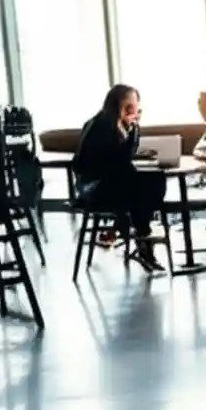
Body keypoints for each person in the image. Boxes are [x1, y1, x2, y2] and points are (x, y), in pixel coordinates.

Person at [72, 84, 169, 272]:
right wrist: (129, 132)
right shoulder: (102, 124)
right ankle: (142, 238)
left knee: (153, 181)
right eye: (129, 107)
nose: (133, 111)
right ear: (117, 105)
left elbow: (125, 158)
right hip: (93, 188)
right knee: (144, 185)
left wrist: (132, 129)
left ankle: (141, 235)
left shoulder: (122, 126)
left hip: (110, 183)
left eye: (135, 107)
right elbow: (117, 160)